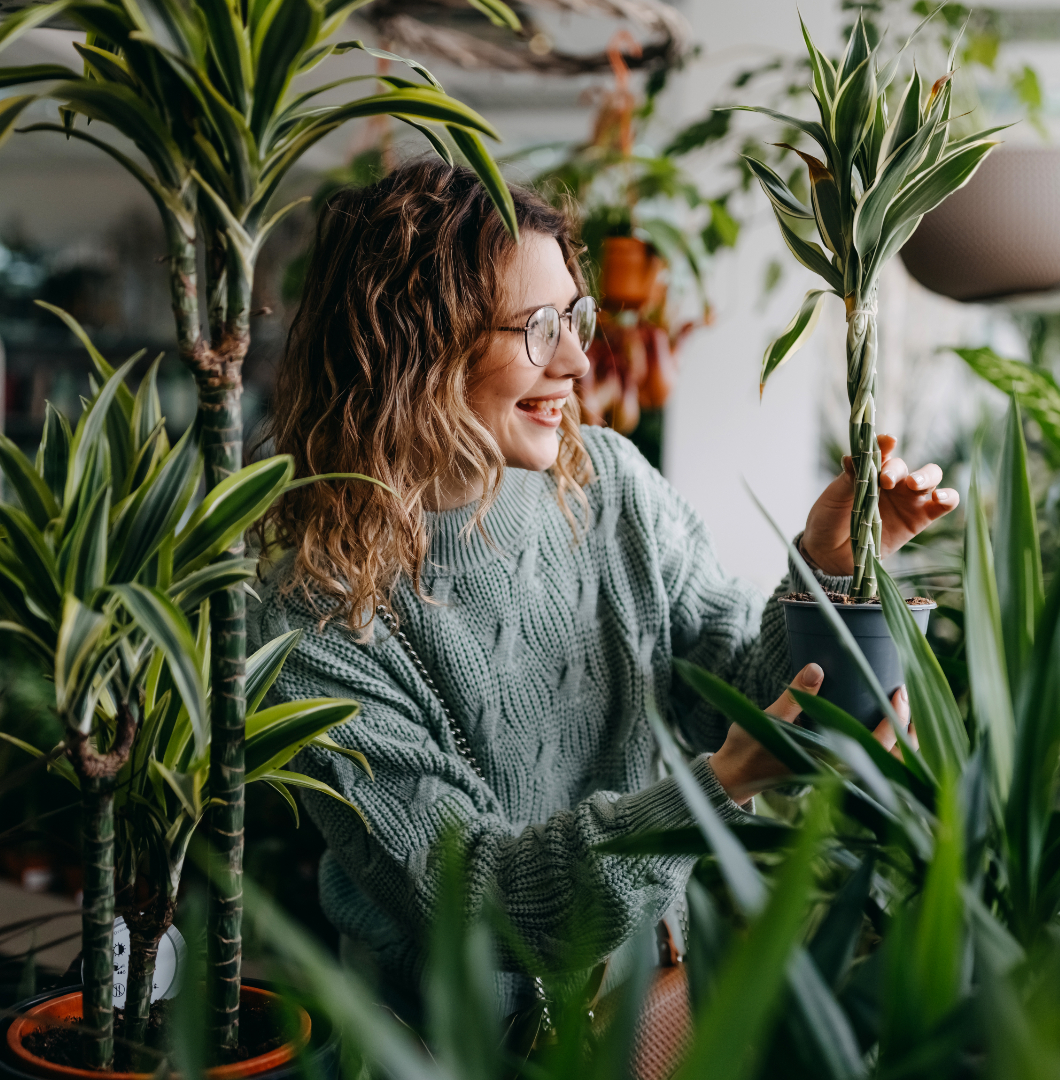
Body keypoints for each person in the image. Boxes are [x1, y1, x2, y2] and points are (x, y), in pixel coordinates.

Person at [252, 160, 958, 1017]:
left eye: (575, 317)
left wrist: (829, 563)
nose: (580, 360)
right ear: (415, 343)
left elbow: (732, 696)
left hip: (643, 1003)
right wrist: (717, 789)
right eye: (538, 327)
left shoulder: (607, 483)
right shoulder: (318, 615)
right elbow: (476, 894)